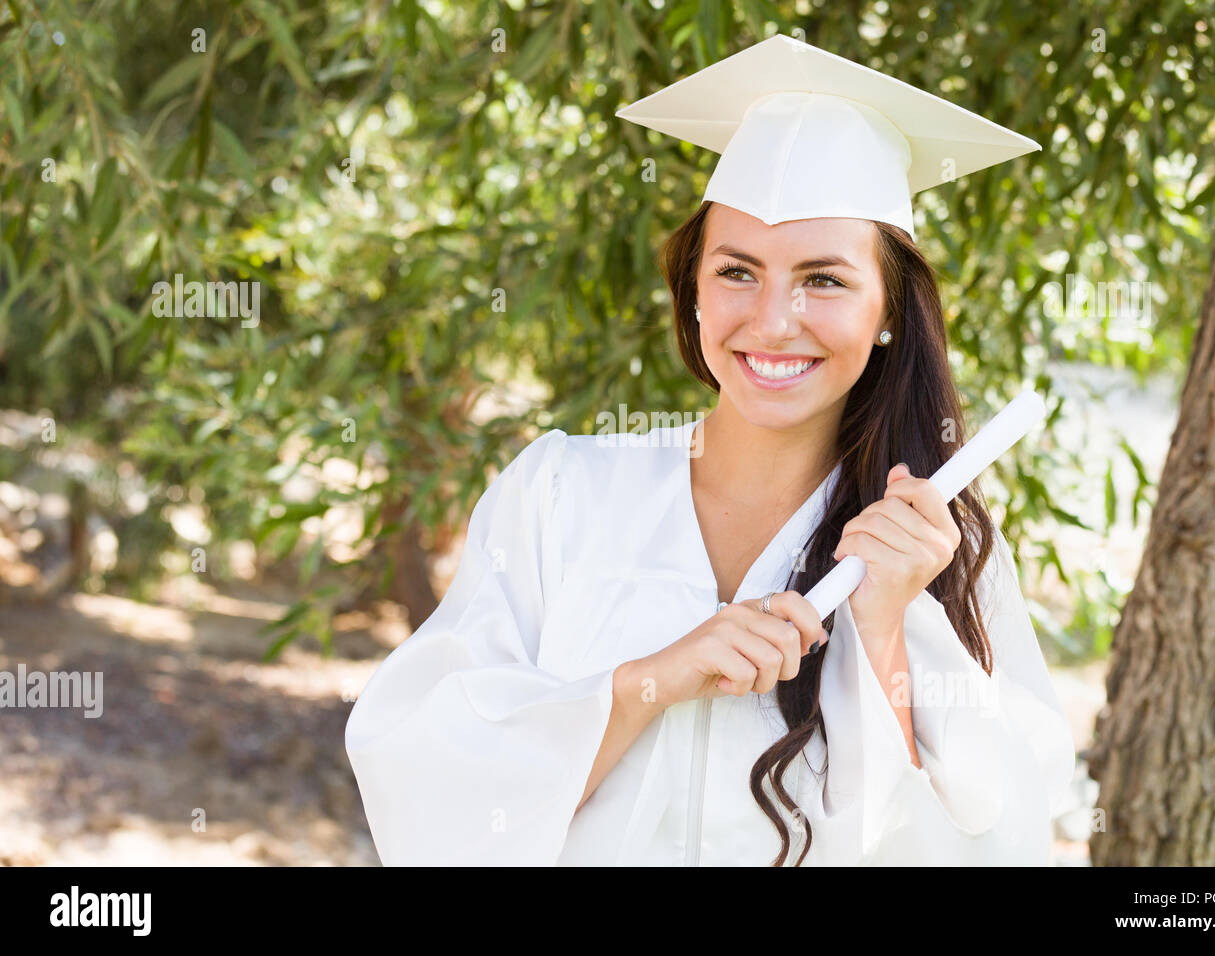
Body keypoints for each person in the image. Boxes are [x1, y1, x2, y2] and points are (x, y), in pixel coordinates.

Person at [345, 34, 1076, 866]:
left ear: (888, 316)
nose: (771, 320)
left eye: (825, 279)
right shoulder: (561, 492)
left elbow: (983, 846)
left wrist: (883, 627)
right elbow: (425, 772)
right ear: (693, 289)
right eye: (737, 271)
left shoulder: (939, 549)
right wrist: (646, 683)